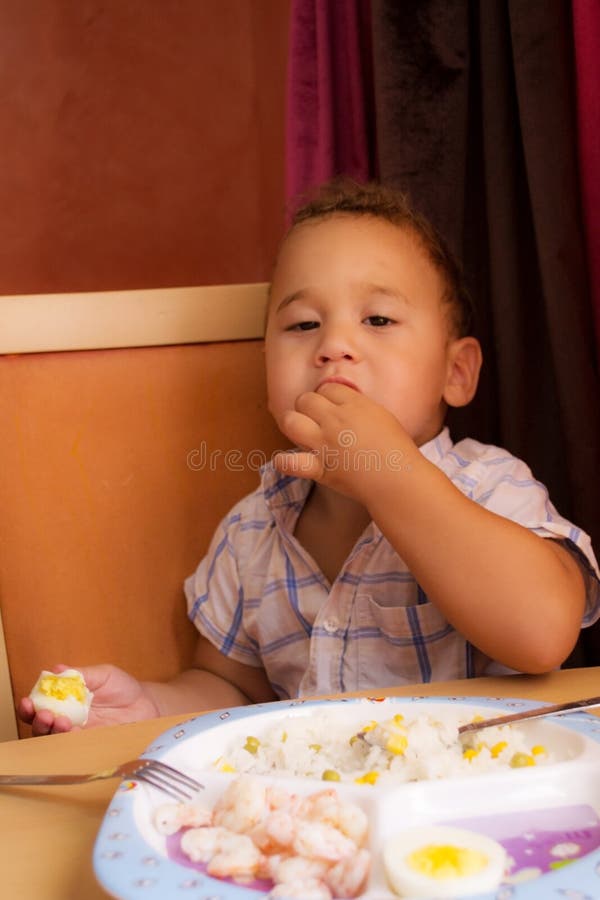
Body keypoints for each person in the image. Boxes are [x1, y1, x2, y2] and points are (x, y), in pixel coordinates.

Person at [19, 179, 600, 736]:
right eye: (303, 324)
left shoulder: (489, 485)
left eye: (377, 319)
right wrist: (149, 707)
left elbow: (544, 632)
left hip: (475, 809)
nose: (333, 346)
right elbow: (230, 689)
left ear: (456, 371)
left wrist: (391, 477)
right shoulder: (255, 528)